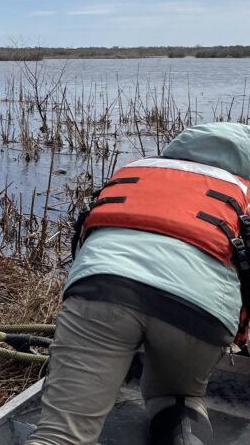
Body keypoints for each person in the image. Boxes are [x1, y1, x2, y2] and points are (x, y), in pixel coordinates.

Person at [27, 122, 250, 445]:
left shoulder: (139, 171)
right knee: (177, 398)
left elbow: (84, 246)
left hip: (100, 291)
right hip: (198, 314)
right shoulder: (243, 194)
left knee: (59, 435)